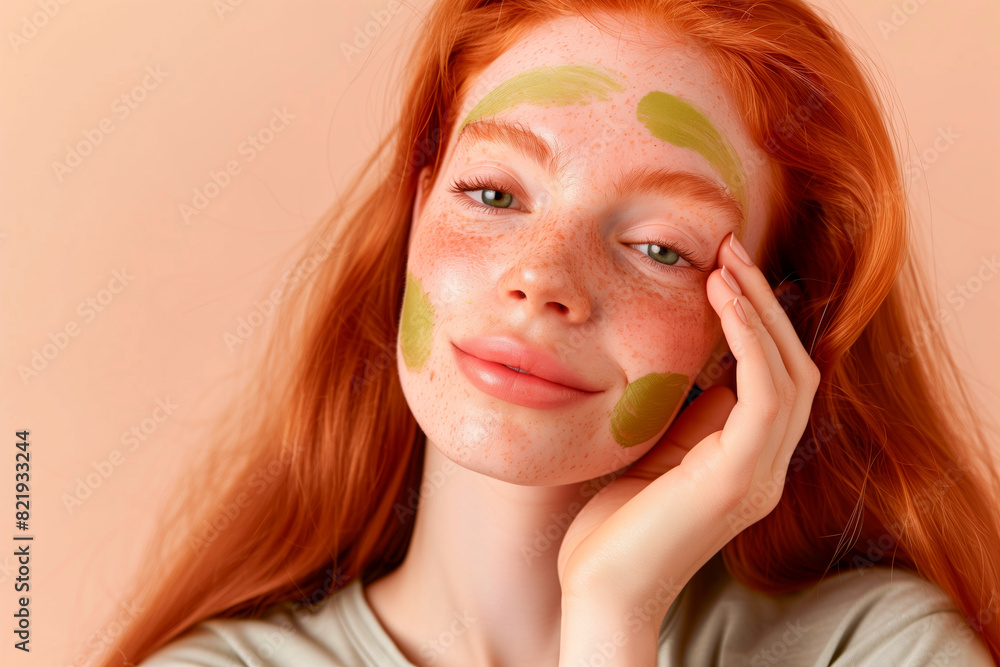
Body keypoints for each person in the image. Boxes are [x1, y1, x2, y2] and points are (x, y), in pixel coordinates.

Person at [96, 0, 1000, 665]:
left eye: (658, 247)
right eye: (492, 194)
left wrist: (612, 617)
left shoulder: (874, 649)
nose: (543, 279)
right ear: (415, 213)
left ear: (763, 328)